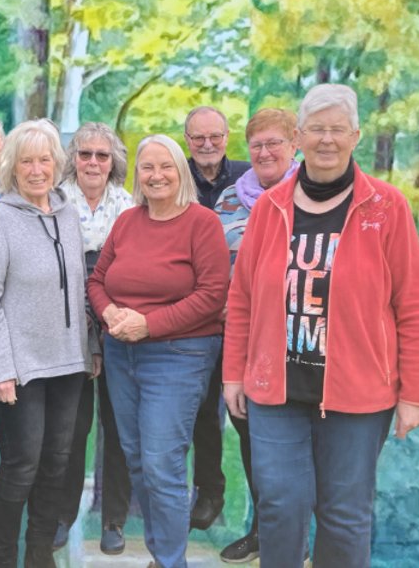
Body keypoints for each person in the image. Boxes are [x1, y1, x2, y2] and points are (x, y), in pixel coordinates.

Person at [223, 83, 419, 568]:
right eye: (316, 129)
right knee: (280, 508)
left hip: (358, 393)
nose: (327, 139)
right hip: (276, 390)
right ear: (298, 137)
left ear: (355, 136)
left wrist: (416, 393)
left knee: (344, 515)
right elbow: (242, 298)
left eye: (338, 129)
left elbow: (413, 306)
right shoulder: (271, 207)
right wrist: (234, 373)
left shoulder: (387, 207)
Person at [87, 134, 229, 568]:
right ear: (137, 175)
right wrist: (109, 312)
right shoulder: (127, 222)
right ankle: (162, 554)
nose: (156, 175)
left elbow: (213, 295)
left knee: (161, 463)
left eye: (166, 166)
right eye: (147, 167)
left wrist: (150, 324)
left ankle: (170, 561)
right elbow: (97, 281)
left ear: (181, 172)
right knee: (137, 461)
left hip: (178, 356)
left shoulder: (202, 223)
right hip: (122, 354)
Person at [0, 120, 94, 568]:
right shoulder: (0, 219)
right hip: (20, 368)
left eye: (45, 160)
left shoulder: (69, 215)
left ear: (57, 164)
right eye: (27, 161)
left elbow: (79, 289)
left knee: (57, 462)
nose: (37, 169)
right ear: (13, 167)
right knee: (21, 465)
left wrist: (92, 350)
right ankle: (3, 558)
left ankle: (39, 554)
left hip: (70, 363)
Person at [211, 108, 300, 563]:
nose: (264, 152)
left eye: (274, 143)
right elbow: (211, 259)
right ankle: (265, 530)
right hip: (241, 339)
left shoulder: (313, 195)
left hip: (298, 338)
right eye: (257, 145)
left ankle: (299, 537)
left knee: (300, 443)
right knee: (251, 435)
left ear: (294, 146)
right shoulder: (229, 198)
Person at [53, 122, 134, 557]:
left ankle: (113, 519)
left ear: (112, 161)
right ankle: (62, 515)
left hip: (118, 316)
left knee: (117, 425)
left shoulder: (129, 204)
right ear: (74, 158)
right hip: (66, 321)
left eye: (102, 155)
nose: (93, 162)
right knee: (72, 424)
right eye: (85, 154)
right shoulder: (54, 200)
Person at [182, 106, 250, 529]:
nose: (207, 144)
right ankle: (209, 492)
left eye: (215, 136)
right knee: (201, 412)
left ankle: (265, 516)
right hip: (194, 320)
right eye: (198, 137)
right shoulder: (174, 176)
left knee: (247, 418)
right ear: (186, 140)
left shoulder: (248, 178)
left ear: (227, 137)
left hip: (243, 320)